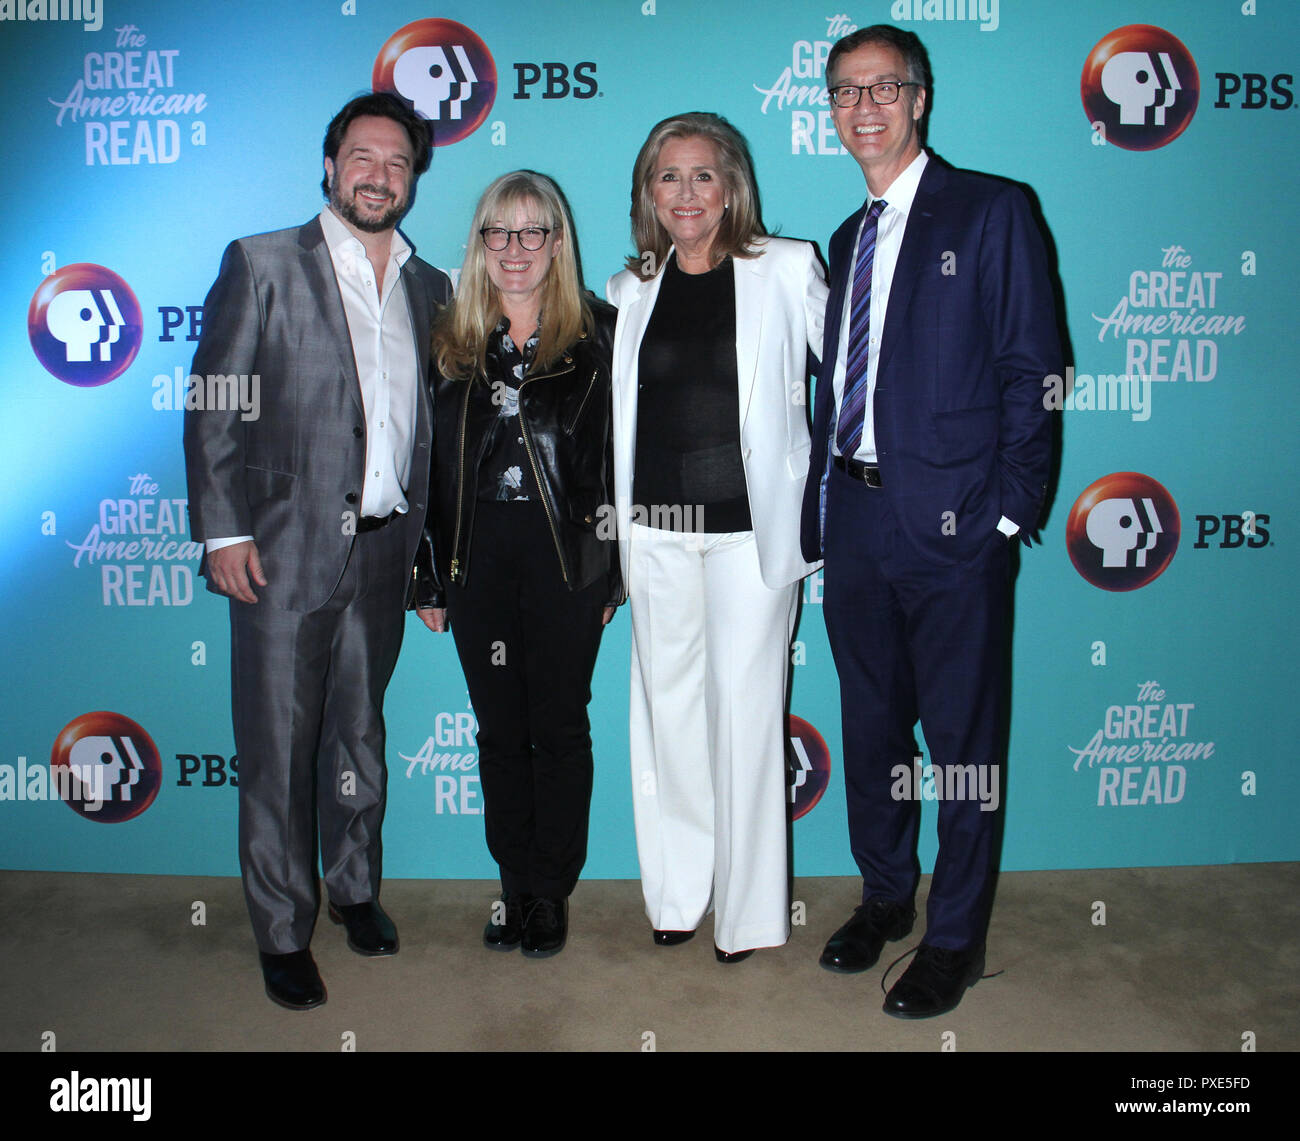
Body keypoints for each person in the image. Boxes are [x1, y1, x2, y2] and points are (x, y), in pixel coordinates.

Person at [801, 26, 1060, 1017]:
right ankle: (884, 898)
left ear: (919, 99)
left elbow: (1032, 371)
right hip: (857, 523)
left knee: (961, 748)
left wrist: (1007, 516)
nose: (862, 107)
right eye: (843, 92)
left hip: (957, 532)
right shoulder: (846, 236)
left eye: (882, 88)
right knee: (871, 731)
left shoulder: (991, 211)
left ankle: (953, 936)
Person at [184, 92, 451, 1010]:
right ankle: (282, 927)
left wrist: (429, 558)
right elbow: (216, 403)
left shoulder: (431, 287)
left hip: (384, 552)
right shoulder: (261, 263)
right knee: (276, 749)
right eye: (363, 158)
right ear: (331, 165)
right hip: (278, 557)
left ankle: (354, 888)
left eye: (398, 163)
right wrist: (223, 528)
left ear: (415, 179)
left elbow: (429, 436)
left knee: (358, 734)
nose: (379, 175)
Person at [606, 112, 827, 963]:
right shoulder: (629, 291)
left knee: (745, 719)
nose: (687, 193)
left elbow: (856, 370)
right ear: (647, 191)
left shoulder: (787, 268)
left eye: (704, 175)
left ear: (732, 185)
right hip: (656, 536)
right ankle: (676, 893)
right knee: (668, 721)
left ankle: (749, 915)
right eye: (669, 176)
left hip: (748, 539)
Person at [412, 171, 619, 958]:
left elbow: (618, 462)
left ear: (557, 243)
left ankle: (552, 892)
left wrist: (615, 570)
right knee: (499, 730)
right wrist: (427, 573)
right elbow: (423, 463)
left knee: (560, 726)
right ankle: (515, 887)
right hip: (478, 559)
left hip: (566, 556)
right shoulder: (448, 340)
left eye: (533, 232)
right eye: (499, 232)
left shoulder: (599, 333)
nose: (515, 249)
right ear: (479, 245)